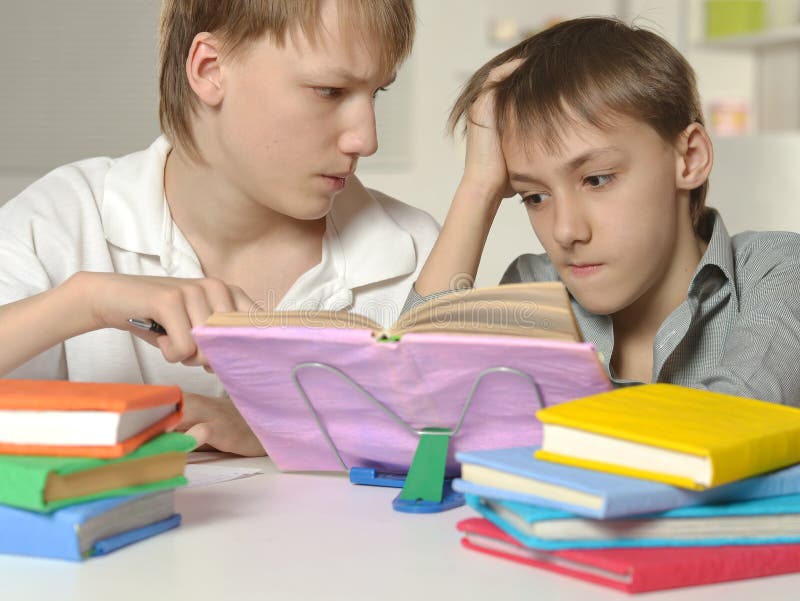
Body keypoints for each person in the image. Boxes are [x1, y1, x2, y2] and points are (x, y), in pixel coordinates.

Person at [0, 0, 439, 454]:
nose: (366, 139)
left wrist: (283, 432)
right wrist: (86, 302)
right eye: (329, 90)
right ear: (210, 69)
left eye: (377, 93)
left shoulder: (417, 256)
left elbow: (454, 451)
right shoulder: (60, 219)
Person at [410, 17, 800, 405]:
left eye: (597, 180)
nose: (565, 231)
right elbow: (412, 412)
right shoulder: (535, 289)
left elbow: (731, 423)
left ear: (690, 158)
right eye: (535, 196)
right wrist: (478, 189)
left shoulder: (777, 273)